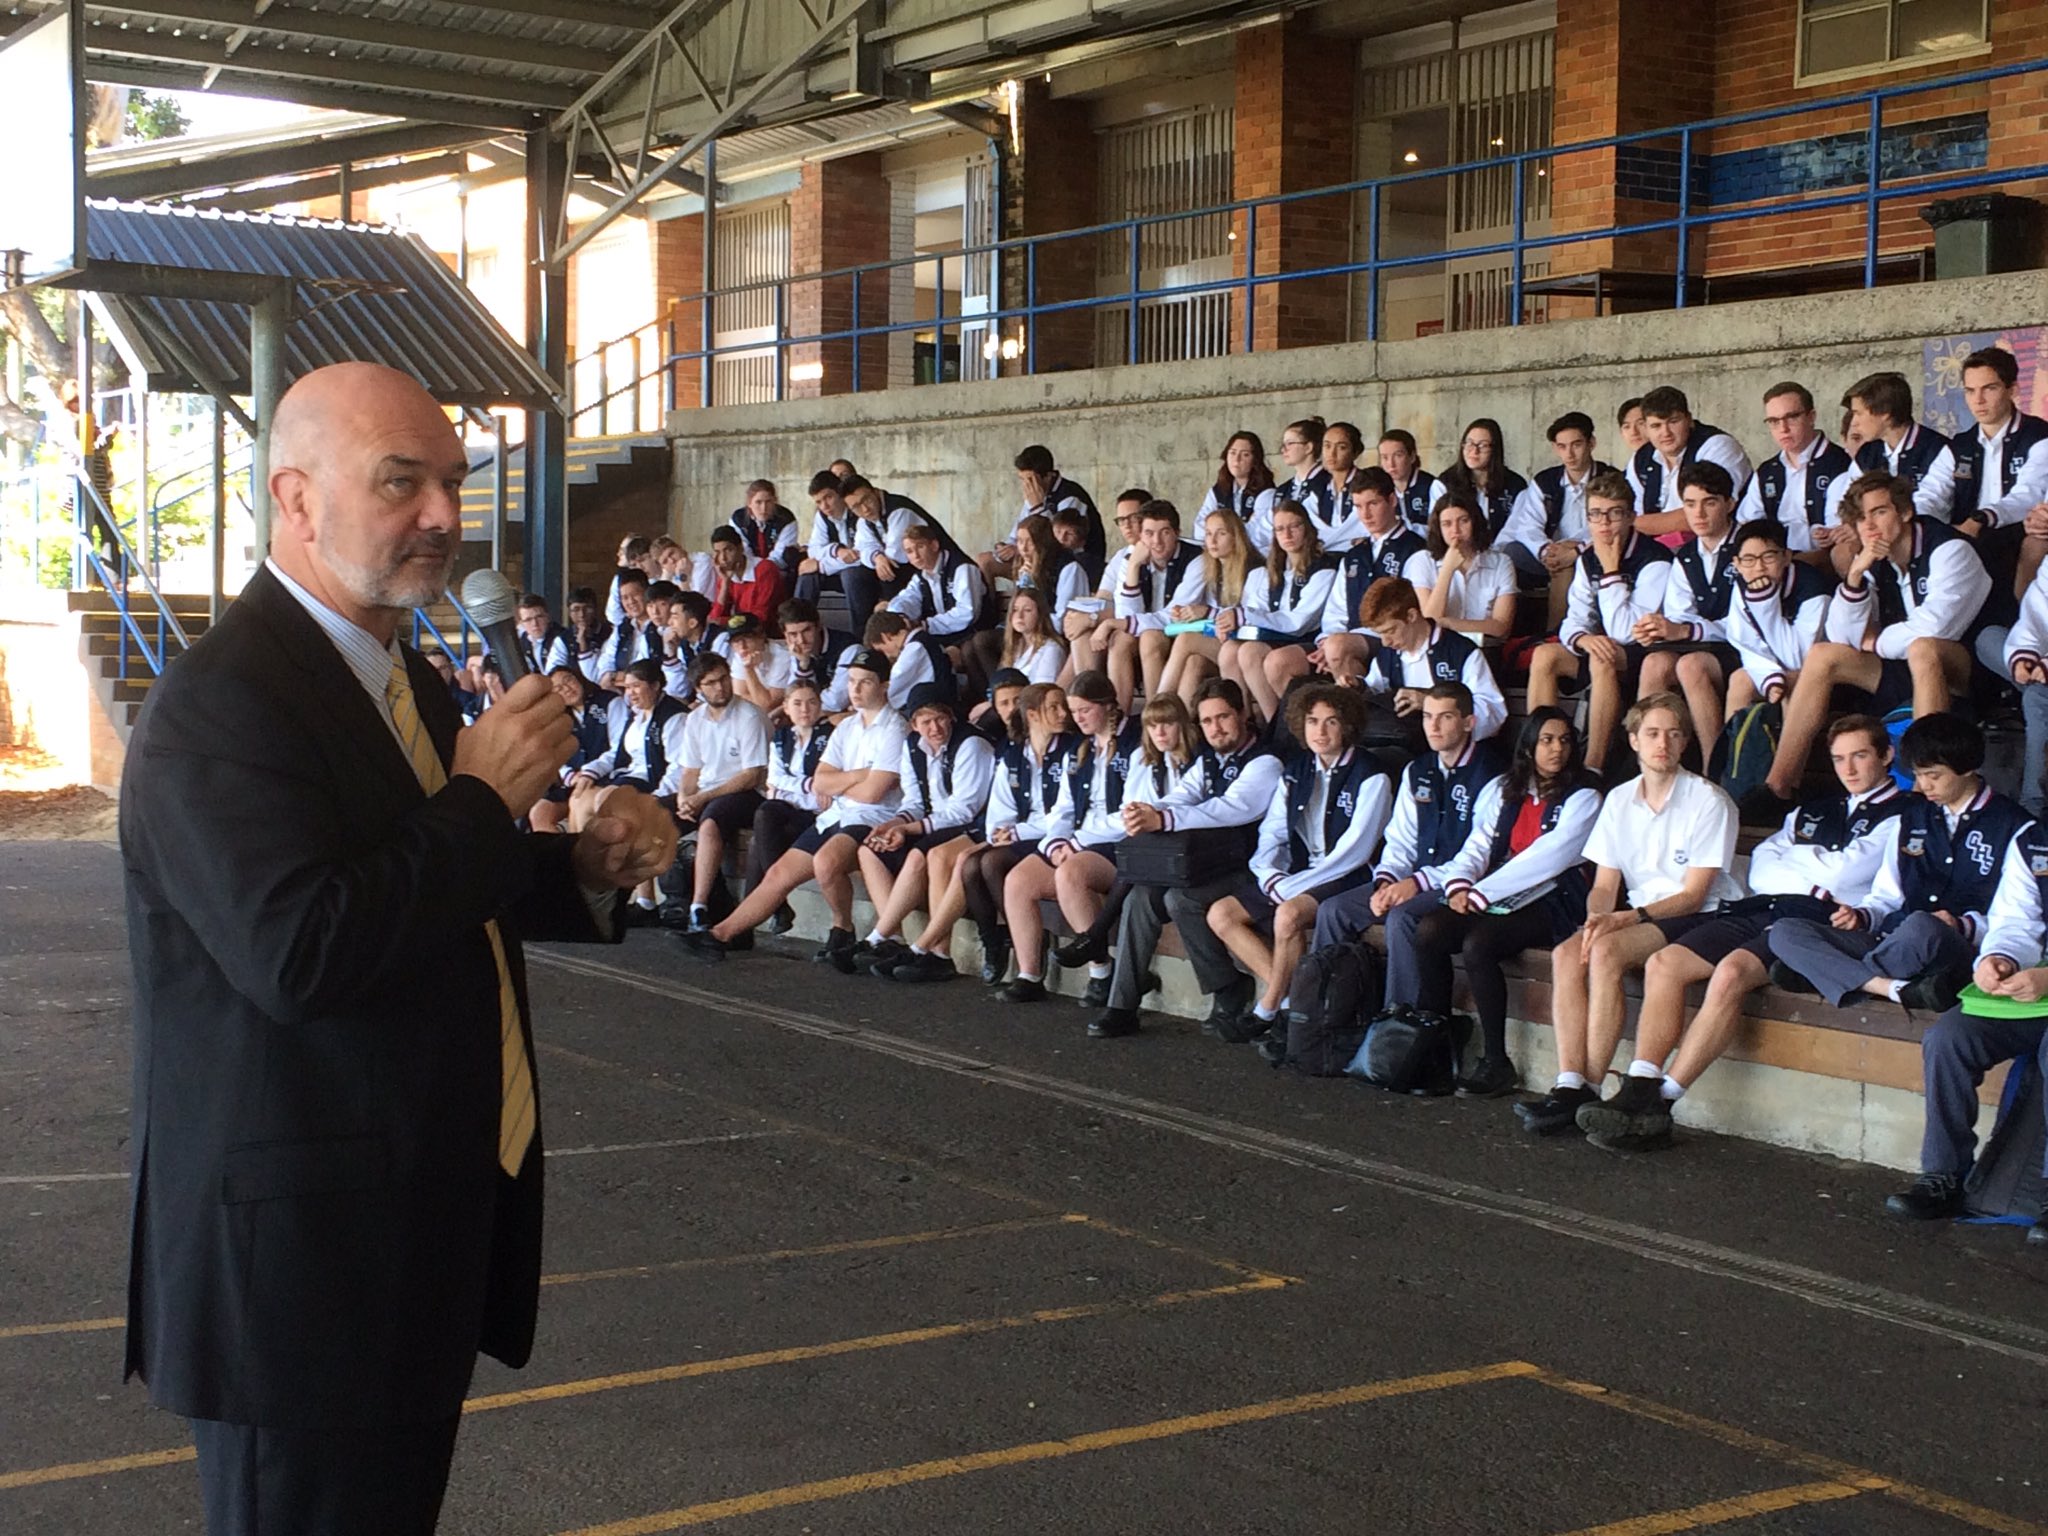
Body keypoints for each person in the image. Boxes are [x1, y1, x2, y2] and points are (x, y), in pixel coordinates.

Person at [120, 361, 672, 1536]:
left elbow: (417, 884)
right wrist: (478, 803)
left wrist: (575, 866)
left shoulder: (395, 674)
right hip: (304, 1279)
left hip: (405, 1236)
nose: (441, 516)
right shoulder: (225, 702)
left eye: (451, 484)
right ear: (298, 499)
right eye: (400, 482)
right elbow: (299, 951)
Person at [1611, 716, 1909, 1150]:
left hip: (1812, 923)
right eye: (1839, 759)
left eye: (1860, 756)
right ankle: (1639, 1084)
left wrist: (1803, 870)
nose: (1849, 769)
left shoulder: (1905, 813)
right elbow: (1764, 862)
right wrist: (1817, 869)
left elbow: (1849, 875)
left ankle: (1662, 1103)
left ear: (1886, 755)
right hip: (1759, 904)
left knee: (1730, 973)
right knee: (1664, 962)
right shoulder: (1817, 807)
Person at [1516, 693, 1743, 1135]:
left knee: (1604, 954)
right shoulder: (1619, 799)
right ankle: (1569, 1080)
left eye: (1674, 735)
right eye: (1653, 734)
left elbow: (1694, 896)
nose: (1664, 743)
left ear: (1684, 743)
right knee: (1569, 953)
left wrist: (1622, 920)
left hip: (1697, 914)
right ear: (1634, 740)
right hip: (1641, 911)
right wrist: (1597, 918)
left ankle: (1592, 1085)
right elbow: (1604, 886)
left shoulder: (1708, 800)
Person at [1756, 472, 1991, 814]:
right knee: (1824, 655)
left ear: (1905, 512)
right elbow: (1843, 637)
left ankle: (1920, 787)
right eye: (1861, 518)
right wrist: (1854, 577)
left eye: (1879, 512)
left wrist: (1877, 642)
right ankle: (1778, 787)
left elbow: (1939, 627)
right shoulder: (1873, 558)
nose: (1870, 525)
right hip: (1902, 667)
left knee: (1922, 648)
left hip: (1962, 672)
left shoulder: (1950, 549)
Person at [1398, 707, 1602, 1096]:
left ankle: (1496, 1060)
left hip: (1555, 895)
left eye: (1564, 740)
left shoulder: (1585, 795)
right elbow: (1479, 844)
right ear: (1528, 746)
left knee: (1480, 943)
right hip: (1497, 890)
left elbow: (1549, 856)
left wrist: (1480, 894)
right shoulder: (1506, 788)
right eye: (1546, 740)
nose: (1556, 749)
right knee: (1430, 931)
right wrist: (1459, 884)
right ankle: (1436, 1042)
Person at [1769, 713, 2027, 1016]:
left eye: (1934, 775)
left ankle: (1825, 974)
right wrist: (1863, 916)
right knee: (1785, 931)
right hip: (1891, 940)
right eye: (1918, 775)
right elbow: (1886, 897)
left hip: (1951, 946)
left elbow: (2019, 920)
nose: (1923, 786)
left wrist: (1963, 924)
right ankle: (1891, 988)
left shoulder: (2014, 826)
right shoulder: (1912, 817)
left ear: (1968, 767)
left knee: (1922, 925)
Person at [677, 646, 906, 965]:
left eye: (865, 682)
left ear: (884, 685)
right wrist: (859, 775)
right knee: (779, 873)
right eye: (852, 681)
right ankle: (720, 934)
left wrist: (847, 781)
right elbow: (821, 779)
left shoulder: (895, 727)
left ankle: (843, 928)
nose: (854, 689)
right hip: (837, 813)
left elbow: (873, 793)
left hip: (873, 816)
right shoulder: (848, 727)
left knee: (826, 862)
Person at [1087, 679, 1282, 1038]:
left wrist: (1164, 819)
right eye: (1207, 721)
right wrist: (1148, 811)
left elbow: (1231, 809)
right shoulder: (1209, 760)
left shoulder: (1265, 761)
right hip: (1208, 866)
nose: (1216, 728)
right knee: (1142, 896)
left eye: (1223, 717)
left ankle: (1226, 988)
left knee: (1181, 899)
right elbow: (1182, 796)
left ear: (1243, 713)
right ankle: (1122, 1005)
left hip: (1251, 869)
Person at [1885, 814, 2048, 1241]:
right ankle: (1944, 1176)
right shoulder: (2034, 840)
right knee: (1950, 1038)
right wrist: (2000, 960)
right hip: (2036, 991)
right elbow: (2017, 922)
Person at [1204, 684, 1394, 1039]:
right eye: (1312, 721)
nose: (1320, 732)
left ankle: (1268, 1009)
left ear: (1347, 726)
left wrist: (1291, 887)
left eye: (1330, 722)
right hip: (1298, 874)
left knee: (1288, 914)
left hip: (1350, 875)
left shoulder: (1372, 775)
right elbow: (1272, 832)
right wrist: (1268, 876)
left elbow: (1355, 851)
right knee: (1221, 914)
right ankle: (1292, 1001)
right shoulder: (1295, 771)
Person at [885, 682, 1074, 985]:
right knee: (970, 863)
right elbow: (1000, 807)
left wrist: (1013, 831)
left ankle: (935, 945)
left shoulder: (1071, 749)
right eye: (1054, 707)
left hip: (1053, 835)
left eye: (1063, 706)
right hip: (1021, 832)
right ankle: (992, 940)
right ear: (1034, 715)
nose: (1064, 713)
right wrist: (1000, 830)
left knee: (982, 862)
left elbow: (1067, 813)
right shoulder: (1014, 752)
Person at [1311, 681, 1504, 952]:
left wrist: (1417, 882)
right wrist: (1387, 881)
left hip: (1459, 883)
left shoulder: (1492, 775)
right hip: (1412, 879)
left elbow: (1479, 852)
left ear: (1469, 723)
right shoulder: (1417, 770)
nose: (1433, 727)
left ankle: (1402, 997)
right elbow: (1400, 839)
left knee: (1404, 918)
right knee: (1333, 910)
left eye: (1445, 717)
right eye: (1427, 716)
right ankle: (1322, 991)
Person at [998, 672, 1152, 1003]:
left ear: (1107, 706)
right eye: (1074, 710)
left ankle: (1101, 972)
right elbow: (1064, 809)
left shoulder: (1136, 745)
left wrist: (1077, 842)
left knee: (1072, 873)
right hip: (1080, 840)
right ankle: (1029, 973)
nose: (1076, 717)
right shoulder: (1080, 750)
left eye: (1084, 710)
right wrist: (1056, 842)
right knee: (1018, 881)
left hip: (1118, 843)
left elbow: (1130, 814)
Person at [1526, 471, 1673, 773]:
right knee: (1545, 655)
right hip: (1602, 647)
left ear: (1631, 516)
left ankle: (1594, 765)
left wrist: (1610, 572)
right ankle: (1537, 758)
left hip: (1645, 653)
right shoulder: (1588, 558)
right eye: (1595, 514)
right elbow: (1573, 619)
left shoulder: (1654, 558)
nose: (1604, 524)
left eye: (1613, 514)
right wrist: (1582, 639)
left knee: (1601, 657)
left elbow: (1627, 631)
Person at [849, 684, 997, 976]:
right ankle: (887, 938)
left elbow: (964, 810)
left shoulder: (971, 744)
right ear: (914, 725)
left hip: (971, 825)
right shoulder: (912, 746)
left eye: (940, 718)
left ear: (951, 717)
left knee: (923, 854)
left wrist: (910, 829)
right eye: (926, 721)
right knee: (870, 850)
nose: (935, 727)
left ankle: (937, 953)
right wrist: (895, 824)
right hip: (935, 822)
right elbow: (915, 800)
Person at [1635, 463, 1741, 758]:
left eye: (1709, 503)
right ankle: (1647, 760)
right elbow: (1680, 613)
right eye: (1690, 504)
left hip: (1745, 650)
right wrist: (1660, 629)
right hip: (1705, 646)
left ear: (1729, 504)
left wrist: (1685, 630)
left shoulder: (1747, 547)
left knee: (1690, 666)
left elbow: (1747, 622)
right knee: (1655, 663)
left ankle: (1713, 766)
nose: (1699, 514)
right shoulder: (1687, 556)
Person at [1297, 467, 1430, 691]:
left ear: (1391, 500)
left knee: (1338, 648)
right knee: (1279, 662)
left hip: (1392, 636)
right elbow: (1336, 610)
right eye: (1358, 506)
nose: (1365, 515)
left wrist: (1335, 644)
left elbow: (1414, 609)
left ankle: (1357, 716)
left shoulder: (1415, 549)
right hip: (1347, 639)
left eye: (1373, 504)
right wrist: (1325, 642)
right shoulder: (1353, 556)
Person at [1951, 345, 2048, 639]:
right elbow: (1932, 494)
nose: (1978, 400)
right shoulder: (1959, 444)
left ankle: (2026, 638)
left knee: (2034, 542)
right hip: (1970, 531)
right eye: (1970, 391)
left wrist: (1983, 517)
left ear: (2012, 389)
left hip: (2016, 528)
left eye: (1989, 388)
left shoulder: (2039, 436)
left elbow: (2028, 494)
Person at [669, 652, 771, 930]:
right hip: (708, 789)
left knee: (711, 821)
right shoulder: (695, 719)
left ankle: (698, 908)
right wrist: (683, 799)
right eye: (711, 683)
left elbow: (752, 775)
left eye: (724, 679)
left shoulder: (749, 715)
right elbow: (690, 770)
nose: (720, 687)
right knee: (656, 817)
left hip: (747, 793)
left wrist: (700, 798)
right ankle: (661, 901)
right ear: (698, 689)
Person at [1217, 499, 1337, 725]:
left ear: (1307, 529)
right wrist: (1233, 619)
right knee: (1229, 650)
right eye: (1280, 529)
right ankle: (1244, 723)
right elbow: (1257, 607)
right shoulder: (1274, 569)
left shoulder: (1323, 569)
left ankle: (1275, 725)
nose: (1287, 534)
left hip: (1306, 639)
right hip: (1276, 636)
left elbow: (1299, 622)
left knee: (1250, 653)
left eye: (1295, 526)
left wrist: (1245, 616)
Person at [1354, 579, 1509, 747]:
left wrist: (1429, 704)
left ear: (1411, 616)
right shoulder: (1387, 656)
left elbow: (1493, 712)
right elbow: (1375, 689)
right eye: (1380, 634)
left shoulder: (1460, 651)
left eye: (1390, 631)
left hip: (1455, 752)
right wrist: (1358, 686)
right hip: (1403, 748)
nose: (1385, 642)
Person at [1501, 411, 1617, 612]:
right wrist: (1548, 551)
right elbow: (1528, 525)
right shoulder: (1545, 480)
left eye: (1576, 445)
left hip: (1594, 551)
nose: (1569, 454)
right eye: (1562, 447)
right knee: (1511, 551)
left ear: (1592, 443)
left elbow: (1610, 526)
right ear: (1555, 448)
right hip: (1549, 555)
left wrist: (1574, 551)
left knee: (1569, 563)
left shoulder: (1610, 478)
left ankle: (1554, 630)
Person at [1734, 381, 1855, 565]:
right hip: (1772, 562)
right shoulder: (1767, 472)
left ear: (1811, 416)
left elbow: (1837, 531)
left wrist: (1826, 535)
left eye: (1791, 417)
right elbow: (1746, 525)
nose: (1783, 429)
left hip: (1822, 562)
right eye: (1774, 421)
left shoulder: (1839, 464)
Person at [1722, 517, 1833, 716]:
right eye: (1748, 559)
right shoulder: (1743, 585)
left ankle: (1787, 748)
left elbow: (1797, 657)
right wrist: (1769, 677)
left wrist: (1764, 604)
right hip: (1773, 668)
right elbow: (1744, 641)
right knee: (1740, 680)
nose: (1759, 568)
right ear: (1736, 564)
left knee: (1789, 682)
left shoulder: (1812, 586)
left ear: (1787, 556)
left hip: (1818, 669)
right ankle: (1733, 747)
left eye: (1768, 557)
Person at [747, 676, 833, 928]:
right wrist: (807, 785)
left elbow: (826, 785)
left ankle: (762, 916)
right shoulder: (782, 737)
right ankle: (777, 906)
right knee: (766, 812)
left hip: (816, 816)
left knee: (756, 843)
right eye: (797, 703)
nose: (804, 710)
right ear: (786, 707)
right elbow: (774, 779)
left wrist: (788, 787)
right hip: (787, 811)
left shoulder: (831, 737)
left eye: (811, 703)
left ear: (820, 705)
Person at [1107, 498, 1204, 713]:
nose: (1157, 542)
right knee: (1119, 639)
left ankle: (1154, 715)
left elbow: (1174, 615)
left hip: (1182, 632)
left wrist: (1117, 623)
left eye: (1165, 533)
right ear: (1140, 536)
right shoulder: (1131, 559)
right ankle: (1118, 716)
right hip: (1147, 629)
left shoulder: (1196, 559)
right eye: (1149, 533)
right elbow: (1126, 614)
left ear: (1177, 532)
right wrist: (1133, 567)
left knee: (1149, 636)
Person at [1626, 386, 1753, 542]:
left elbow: (1702, 515)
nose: (1665, 433)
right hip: (1657, 551)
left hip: (1723, 547)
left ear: (1689, 420)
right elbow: (1630, 513)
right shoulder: (1641, 459)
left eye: (1673, 422)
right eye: (1656, 426)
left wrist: (1628, 523)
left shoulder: (1716, 446)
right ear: (1645, 428)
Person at [1159, 508, 1257, 706]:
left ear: (1235, 536)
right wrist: (1187, 614)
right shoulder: (1214, 568)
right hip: (1222, 640)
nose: (1212, 541)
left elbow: (1250, 615)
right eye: (1208, 534)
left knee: (1186, 640)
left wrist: (1207, 613)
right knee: (1194, 662)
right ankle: (1181, 722)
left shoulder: (1254, 569)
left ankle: (1159, 707)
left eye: (1221, 534)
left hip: (1244, 643)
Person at [1844, 370, 1954, 521]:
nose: (1854, 422)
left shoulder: (1937, 449)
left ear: (1885, 413)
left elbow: (1929, 505)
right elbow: (1849, 501)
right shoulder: (1867, 453)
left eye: (1859, 413)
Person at [985, 445, 1104, 581]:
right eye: (1022, 480)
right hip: (1037, 558)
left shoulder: (1070, 497)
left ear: (1048, 476)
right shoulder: (1033, 497)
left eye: (1030, 480)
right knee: (985, 561)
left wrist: (1038, 508)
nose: (1026, 486)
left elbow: (1057, 542)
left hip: (1073, 563)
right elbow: (1017, 534)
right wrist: (1006, 548)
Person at [1416, 489, 1519, 642]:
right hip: (1439, 647)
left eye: (1463, 521)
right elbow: (1430, 620)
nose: (1455, 531)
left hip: (1485, 646)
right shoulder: (1423, 561)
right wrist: (1447, 570)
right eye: (1447, 524)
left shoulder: (1501, 563)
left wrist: (1449, 623)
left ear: (1475, 522)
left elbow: (1501, 627)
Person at [1066, 490, 1150, 670]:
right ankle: (1081, 695)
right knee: (1081, 636)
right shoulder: (1121, 556)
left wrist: (1092, 618)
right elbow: (1102, 601)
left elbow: (1144, 611)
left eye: (1133, 518)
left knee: (1118, 640)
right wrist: (1078, 616)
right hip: (1122, 623)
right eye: (1121, 520)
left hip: (1149, 628)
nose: (1126, 525)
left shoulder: (1159, 550)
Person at [530, 665, 617, 833]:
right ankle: (558, 858)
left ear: (579, 678)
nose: (567, 689)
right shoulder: (558, 718)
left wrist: (590, 772)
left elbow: (619, 749)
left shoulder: (609, 702)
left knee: (579, 805)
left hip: (605, 777)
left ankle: (579, 857)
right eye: (559, 689)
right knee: (539, 812)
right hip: (574, 782)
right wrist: (569, 776)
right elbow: (554, 755)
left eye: (568, 680)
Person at [796, 468, 883, 630]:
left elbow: (860, 556)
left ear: (839, 493)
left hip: (865, 573)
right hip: (837, 571)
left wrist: (822, 565)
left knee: (852, 575)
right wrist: (836, 550)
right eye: (818, 502)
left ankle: (861, 636)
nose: (824, 506)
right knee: (808, 575)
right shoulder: (822, 516)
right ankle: (799, 626)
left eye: (828, 497)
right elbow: (814, 549)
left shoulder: (857, 511)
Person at [1431, 417, 1528, 545]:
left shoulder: (1515, 485)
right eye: (1469, 443)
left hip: (1502, 554)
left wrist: (1494, 555)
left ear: (1495, 450)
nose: (1474, 451)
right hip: (1456, 550)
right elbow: (1438, 527)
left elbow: (1515, 528)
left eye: (1482, 445)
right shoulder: (1445, 483)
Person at [1267, 417, 1332, 552]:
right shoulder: (1282, 490)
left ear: (1308, 447)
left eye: (1290, 443)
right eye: (1283, 444)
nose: (1283, 449)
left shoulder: (1328, 483)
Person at [585, 568, 659, 686]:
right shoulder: (623, 627)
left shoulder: (658, 626)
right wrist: (608, 675)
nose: (631, 602)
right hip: (619, 689)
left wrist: (619, 677)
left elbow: (644, 669)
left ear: (647, 593)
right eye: (625, 598)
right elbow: (607, 658)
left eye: (635, 595)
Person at [1197, 431, 1277, 539]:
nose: (1237, 459)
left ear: (1255, 460)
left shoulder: (1266, 492)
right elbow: (1201, 525)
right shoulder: (1218, 491)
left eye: (1245, 455)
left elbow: (1258, 532)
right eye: (1232, 453)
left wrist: (1222, 534)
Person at [706, 525, 786, 629]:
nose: (723, 558)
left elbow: (760, 618)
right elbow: (715, 618)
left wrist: (724, 621)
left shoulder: (765, 569)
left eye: (728, 550)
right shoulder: (725, 575)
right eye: (717, 552)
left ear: (740, 548)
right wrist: (725, 583)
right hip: (740, 632)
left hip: (768, 634)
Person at [1309, 421, 1369, 551]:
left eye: (1341, 447)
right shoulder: (1318, 487)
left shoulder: (1367, 482)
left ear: (1355, 452)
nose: (1332, 453)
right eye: (1327, 446)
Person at [723, 613, 796, 714]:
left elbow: (766, 706)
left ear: (761, 636)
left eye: (747, 638)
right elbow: (738, 695)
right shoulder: (740, 654)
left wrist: (749, 670)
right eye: (736, 641)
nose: (742, 646)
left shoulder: (782, 656)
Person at [729, 477, 800, 577]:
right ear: (749, 503)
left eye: (768, 502)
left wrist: (763, 570)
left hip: (777, 570)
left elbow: (780, 554)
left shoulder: (786, 519)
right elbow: (743, 550)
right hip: (746, 570)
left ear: (775, 501)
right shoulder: (738, 519)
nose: (763, 508)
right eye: (758, 502)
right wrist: (753, 571)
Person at [1379, 428, 1440, 535]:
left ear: (1412, 456)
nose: (1391, 464)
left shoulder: (1431, 485)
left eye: (1398, 456)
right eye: (1385, 457)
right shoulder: (1380, 488)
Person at [513, 593, 573, 677]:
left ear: (548, 617)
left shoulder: (562, 638)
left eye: (539, 617)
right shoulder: (524, 640)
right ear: (521, 623)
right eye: (528, 620)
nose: (535, 624)